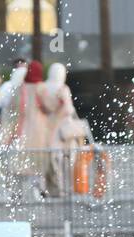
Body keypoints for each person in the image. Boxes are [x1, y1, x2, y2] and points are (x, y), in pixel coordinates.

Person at [0, 60, 53, 200]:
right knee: (39, 162)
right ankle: (40, 190)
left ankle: (17, 192)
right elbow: (49, 106)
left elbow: (11, 109)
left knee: (20, 162)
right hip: (39, 131)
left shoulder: (19, 89)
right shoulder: (41, 88)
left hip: (21, 131)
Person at [37, 63, 78, 197]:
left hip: (46, 128)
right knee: (66, 161)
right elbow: (69, 110)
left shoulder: (42, 88)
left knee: (49, 160)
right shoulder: (63, 88)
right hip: (63, 130)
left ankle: (47, 188)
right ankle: (65, 189)